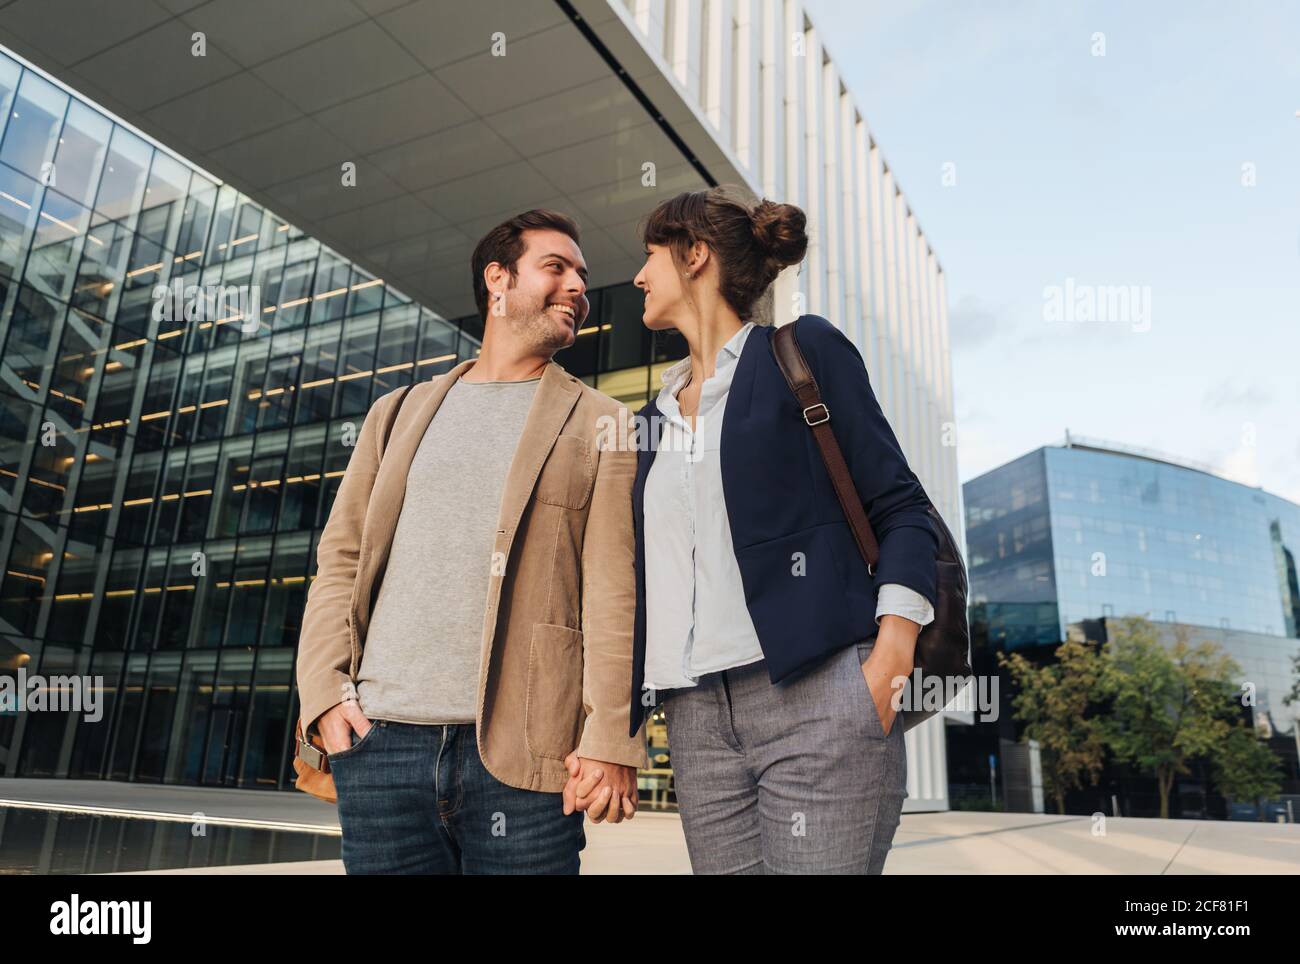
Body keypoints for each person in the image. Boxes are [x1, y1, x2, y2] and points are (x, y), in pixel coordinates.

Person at [296, 209, 648, 874]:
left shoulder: (606, 423)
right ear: (497, 279)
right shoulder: (396, 413)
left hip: (526, 757)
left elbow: (615, 590)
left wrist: (610, 738)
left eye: (582, 275)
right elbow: (340, 560)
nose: (577, 285)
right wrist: (324, 693)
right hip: (382, 747)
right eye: (556, 267)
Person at [627, 187, 939, 874]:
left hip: (820, 695)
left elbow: (902, 509)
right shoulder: (652, 418)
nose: (640, 276)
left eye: (651, 256)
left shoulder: (800, 352)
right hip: (696, 718)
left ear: (696, 254)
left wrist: (889, 663)